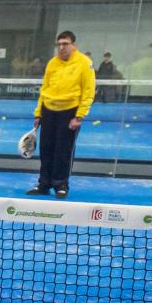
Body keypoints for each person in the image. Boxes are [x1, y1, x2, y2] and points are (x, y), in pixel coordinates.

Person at [29, 31, 95, 197]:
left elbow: (88, 92)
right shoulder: (52, 63)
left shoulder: (85, 63)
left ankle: (61, 185)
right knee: (46, 149)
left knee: (63, 150)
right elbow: (45, 89)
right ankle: (43, 184)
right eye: (58, 44)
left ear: (74, 45)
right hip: (48, 111)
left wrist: (79, 116)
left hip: (70, 112)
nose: (61, 47)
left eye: (65, 44)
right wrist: (38, 114)